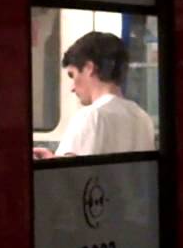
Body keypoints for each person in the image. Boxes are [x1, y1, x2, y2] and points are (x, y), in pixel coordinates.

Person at [33, 31, 157, 159]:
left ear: (89, 68)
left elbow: (70, 170)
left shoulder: (89, 117)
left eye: (72, 75)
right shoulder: (143, 118)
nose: (72, 88)